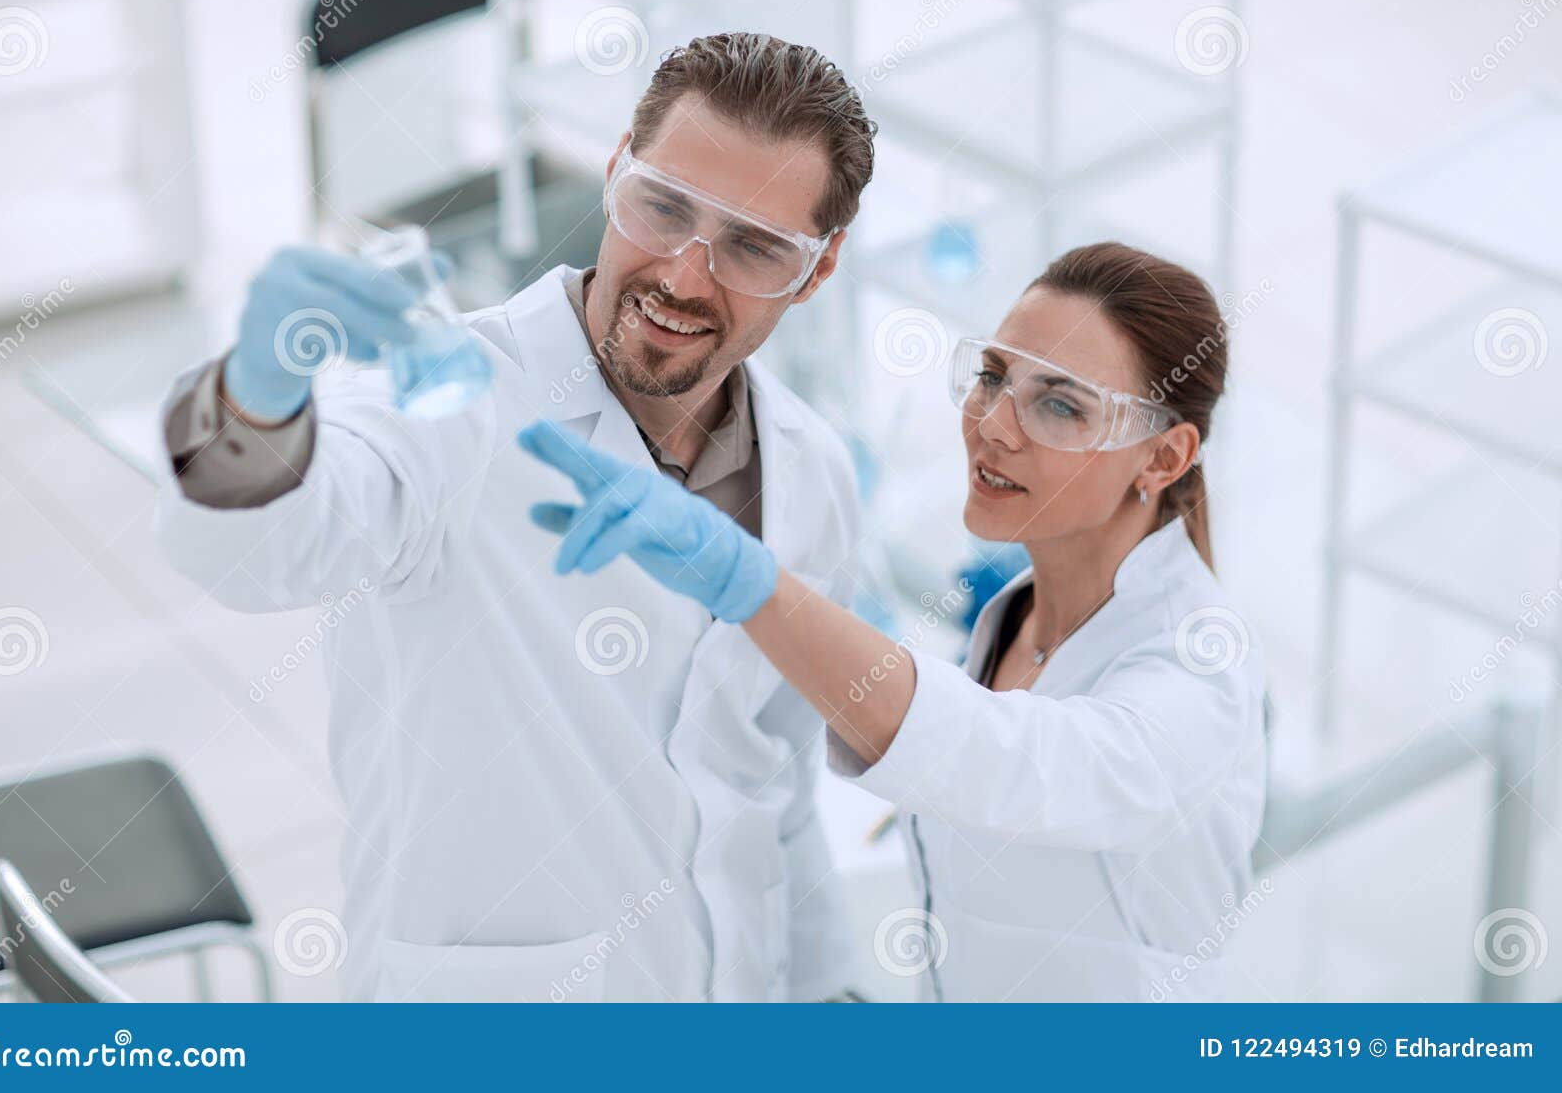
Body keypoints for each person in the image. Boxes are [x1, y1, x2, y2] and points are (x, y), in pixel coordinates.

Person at [154, 33, 877, 1001]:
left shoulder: (810, 469)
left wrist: (828, 991)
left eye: (753, 246)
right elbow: (253, 553)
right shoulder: (447, 406)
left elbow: (777, 786)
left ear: (818, 269)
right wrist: (256, 394)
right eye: (662, 207)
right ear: (617, 168)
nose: (683, 277)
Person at [521, 242, 1268, 1001]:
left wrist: (755, 587)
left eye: (1060, 405)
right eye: (993, 377)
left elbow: (1021, 768)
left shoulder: (1200, 669)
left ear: (1164, 457)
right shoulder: (1021, 616)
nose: (995, 427)